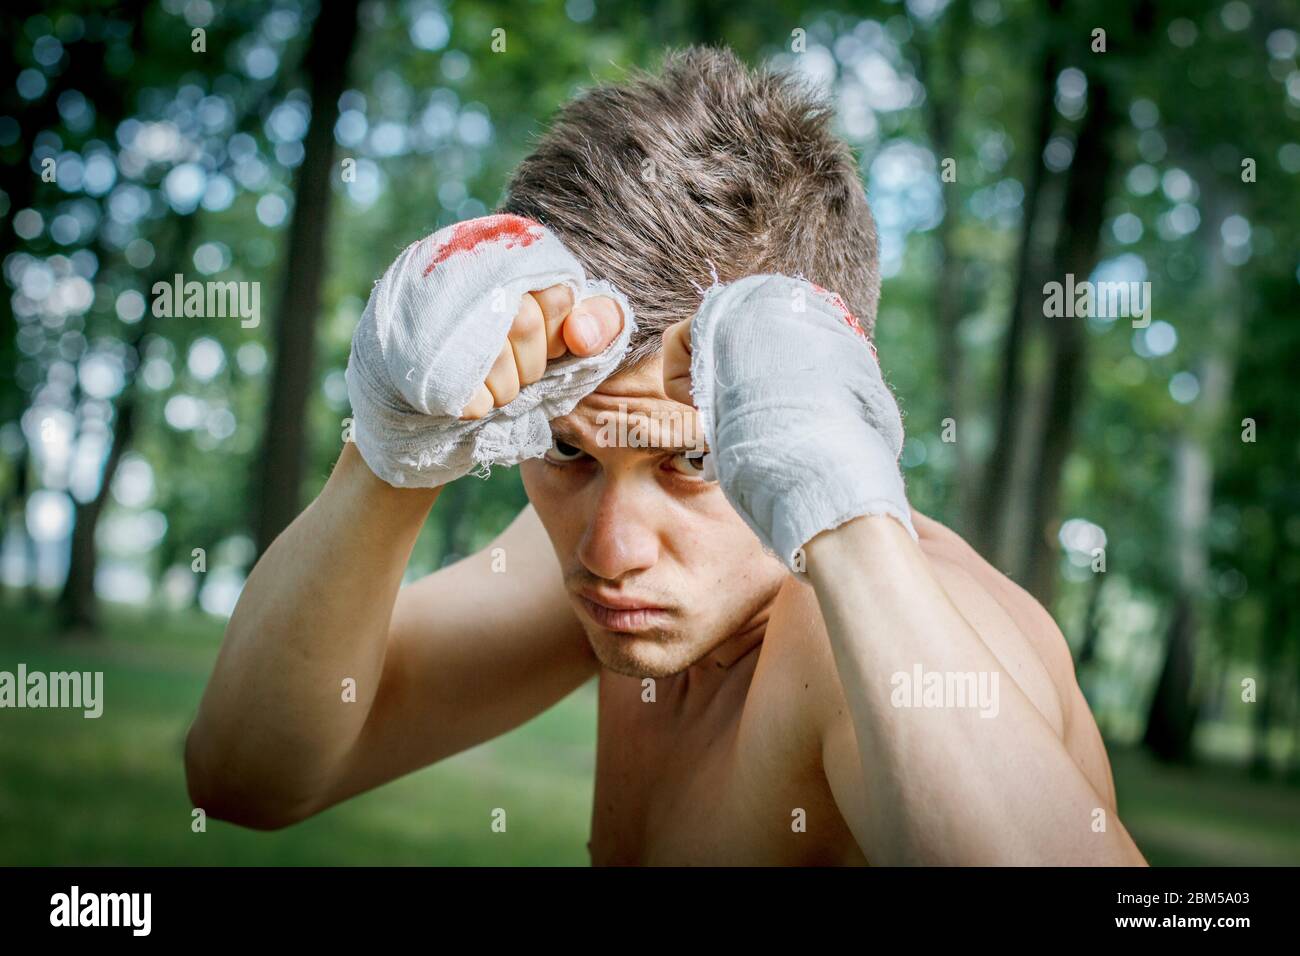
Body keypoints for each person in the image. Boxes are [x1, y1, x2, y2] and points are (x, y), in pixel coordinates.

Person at [185, 47, 1146, 866]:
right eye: (567, 450)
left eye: (690, 463)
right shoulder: (627, 569)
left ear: (809, 404)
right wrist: (392, 452)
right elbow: (248, 778)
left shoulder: (864, 635)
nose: (609, 547)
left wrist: (842, 510)